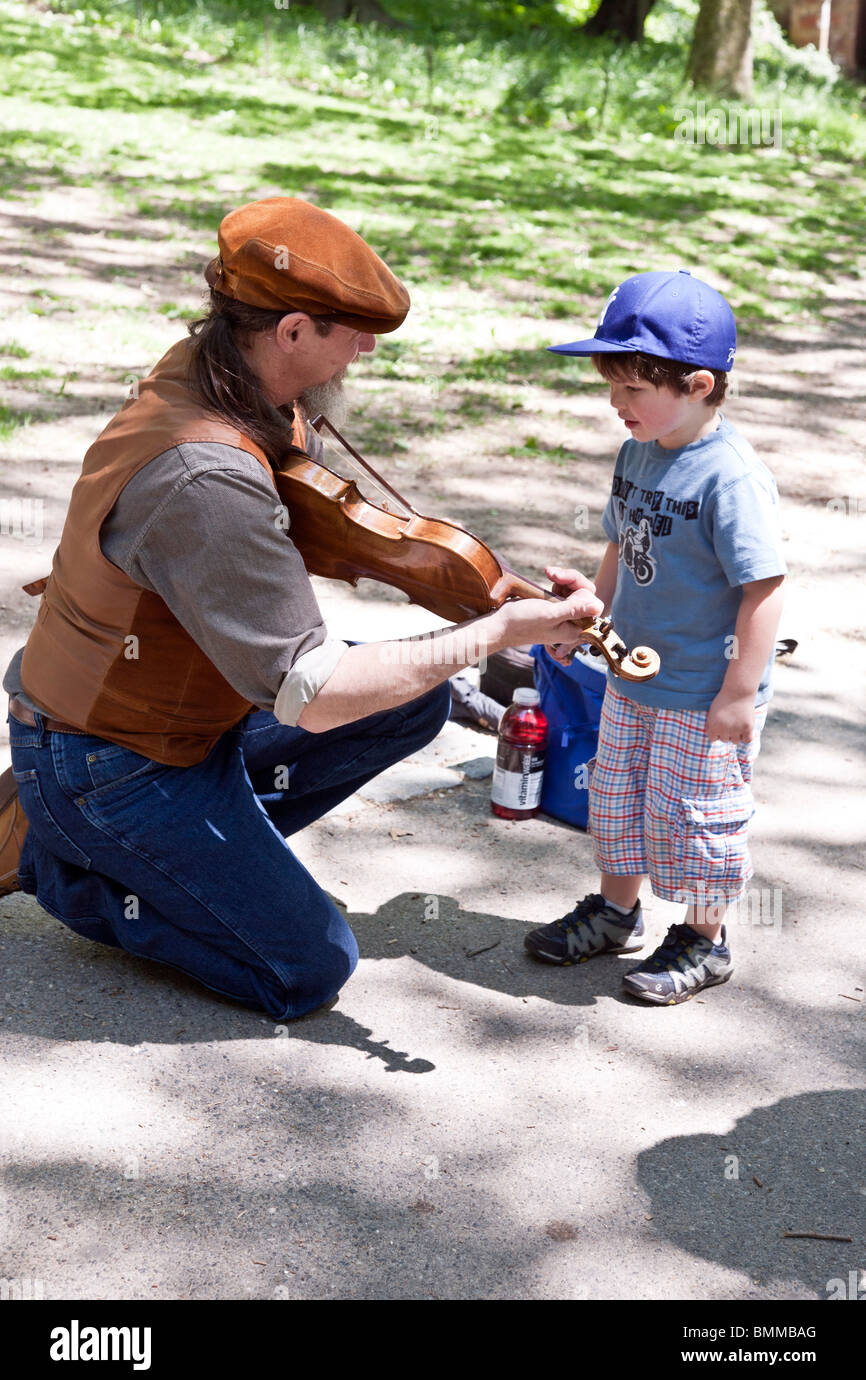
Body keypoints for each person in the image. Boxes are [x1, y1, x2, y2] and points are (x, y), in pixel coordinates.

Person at [0, 197, 600, 1020]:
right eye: (351, 331)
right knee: (307, 969)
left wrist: (506, 634)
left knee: (413, 699)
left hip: (190, 717)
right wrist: (487, 633)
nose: (367, 348)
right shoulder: (204, 474)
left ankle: (176, 864)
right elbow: (310, 692)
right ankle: (70, 871)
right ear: (288, 332)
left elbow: (335, 539)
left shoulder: (219, 368)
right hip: (109, 762)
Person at [524, 270, 786, 1005]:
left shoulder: (729, 478)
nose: (616, 403)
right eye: (613, 385)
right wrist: (588, 616)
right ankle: (616, 912)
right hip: (632, 677)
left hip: (705, 692)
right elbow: (617, 545)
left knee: (697, 819)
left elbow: (765, 588)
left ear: (698, 384)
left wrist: (738, 693)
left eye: (633, 388)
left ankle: (706, 940)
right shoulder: (641, 448)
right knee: (618, 799)